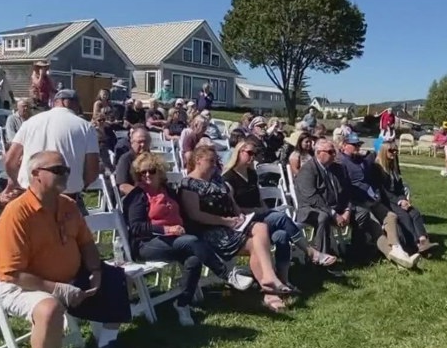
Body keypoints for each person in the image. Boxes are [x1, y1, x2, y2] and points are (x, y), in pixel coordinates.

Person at [0, 150, 137, 348]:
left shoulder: (66, 204)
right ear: (35, 175)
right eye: (58, 170)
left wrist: (94, 269)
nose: (66, 174)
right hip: (22, 285)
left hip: (67, 275)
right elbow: (11, 273)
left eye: (66, 169)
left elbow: (86, 243)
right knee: (50, 310)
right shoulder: (16, 214)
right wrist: (57, 289)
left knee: (116, 279)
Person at [179, 144, 298, 313]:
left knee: (260, 229)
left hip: (232, 225)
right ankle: (270, 289)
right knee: (258, 243)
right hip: (211, 231)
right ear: (198, 161)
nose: (214, 165)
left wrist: (239, 215)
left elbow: (231, 201)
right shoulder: (189, 184)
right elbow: (195, 215)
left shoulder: (216, 179)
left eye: (216, 161)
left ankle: (269, 282)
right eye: (210, 161)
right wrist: (225, 221)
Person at [122, 151, 229, 326]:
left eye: (151, 171)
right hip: (147, 244)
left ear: (160, 171)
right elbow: (136, 228)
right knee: (192, 242)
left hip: (175, 240)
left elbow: (184, 214)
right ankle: (225, 273)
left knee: (194, 260)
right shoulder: (137, 196)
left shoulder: (169, 191)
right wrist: (166, 229)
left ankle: (182, 304)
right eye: (142, 172)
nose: (147, 175)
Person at [223, 138, 339, 272]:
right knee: (281, 218)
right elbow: (233, 210)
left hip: (259, 216)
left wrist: (264, 210)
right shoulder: (228, 178)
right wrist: (258, 211)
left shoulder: (252, 174)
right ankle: (312, 253)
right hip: (244, 221)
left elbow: (260, 200)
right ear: (239, 152)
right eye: (249, 153)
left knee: (282, 235)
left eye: (255, 154)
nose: (253, 157)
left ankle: (283, 280)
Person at [4, 89, 102, 214]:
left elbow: (10, 160)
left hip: (30, 193)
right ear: (67, 103)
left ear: (55, 102)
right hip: (66, 197)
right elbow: (92, 170)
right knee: (75, 233)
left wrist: (18, 182)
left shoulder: (30, 123)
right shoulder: (86, 127)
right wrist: (80, 185)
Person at [336, 134, 420, 267]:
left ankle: (398, 252)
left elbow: (374, 156)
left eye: (359, 144)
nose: (358, 147)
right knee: (376, 228)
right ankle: (400, 259)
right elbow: (344, 188)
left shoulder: (360, 159)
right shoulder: (340, 162)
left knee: (391, 216)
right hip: (356, 202)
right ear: (344, 145)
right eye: (355, 145)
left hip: (370, 199)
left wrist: (365, 153)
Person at [374, 141, 436, 254]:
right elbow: (384, 192)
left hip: (397, 198)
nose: (394, 153)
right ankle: (414, 243)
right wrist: (399, 201)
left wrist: (404, 199)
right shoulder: (378, 168)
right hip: (386, 201)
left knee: (415, 213)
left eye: (396, 150)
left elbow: (400, 187)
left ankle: (423, 240)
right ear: (384, 152)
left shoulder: (393, 167)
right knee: (404, 216)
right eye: (391, 151)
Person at [114, 127, 151, 195]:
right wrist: (143, 195)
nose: (142, 145)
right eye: (139, 142)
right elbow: (123, 186)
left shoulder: (153, 159)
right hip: (134, 198)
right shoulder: (125, 159)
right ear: (132, 143)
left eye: (145, 141)